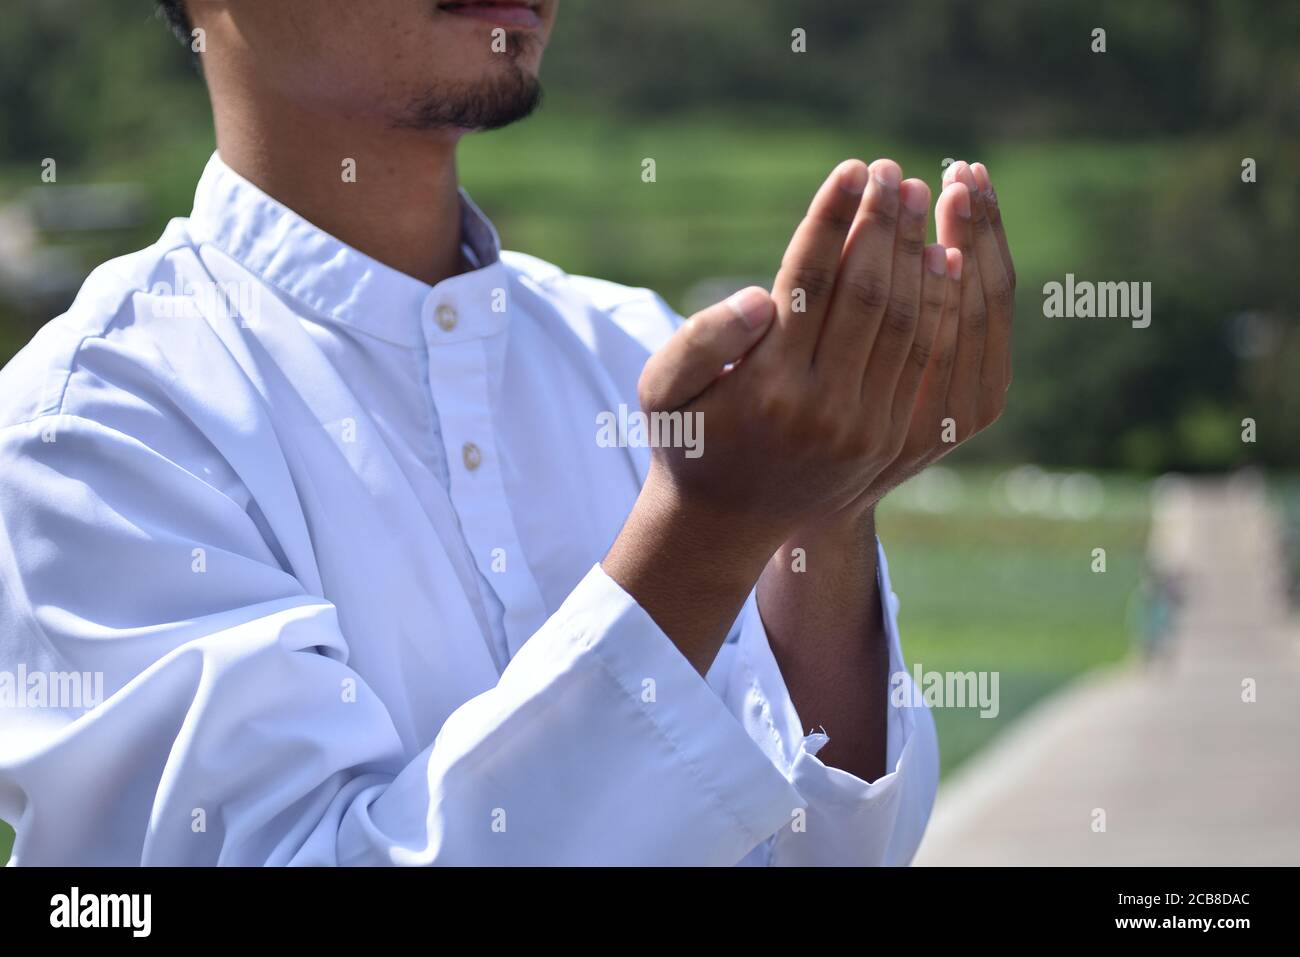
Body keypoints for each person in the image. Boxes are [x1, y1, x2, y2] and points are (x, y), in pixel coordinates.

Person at [0, 0, 1015, 865]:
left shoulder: (640, 349)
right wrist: (703, 538)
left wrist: (821, 512)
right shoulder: (87, 430)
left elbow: (823, 847)